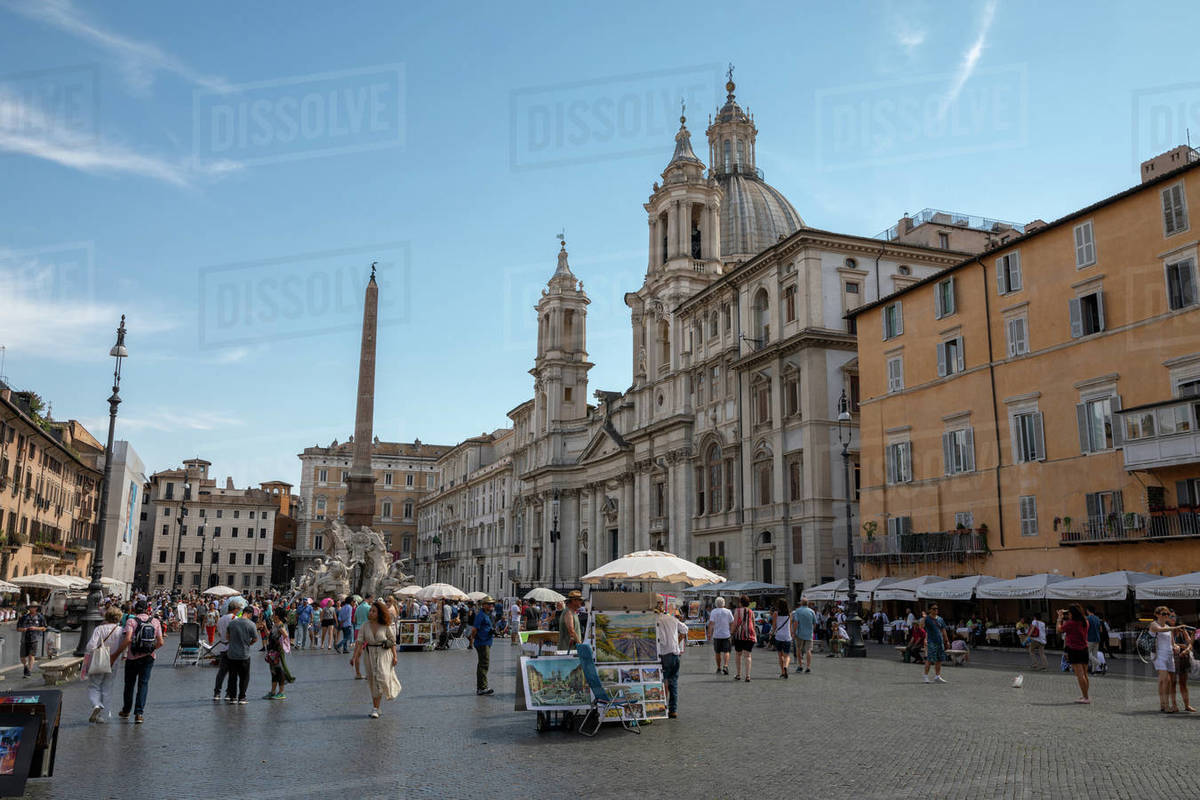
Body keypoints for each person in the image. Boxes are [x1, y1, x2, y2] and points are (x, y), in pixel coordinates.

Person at [351, 600, 401, 718]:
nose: (371, 613)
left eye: (374, 611)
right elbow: (359, 643)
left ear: (379, 613)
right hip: (370, 654)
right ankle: (376, 708)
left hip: (384, 654)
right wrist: (354, 657)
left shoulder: (385, 626)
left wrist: (395, 656)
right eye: (370, 611)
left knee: (381, 677)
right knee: (373, 680)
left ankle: (382, 699)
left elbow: (393, 641)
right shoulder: (365, 625)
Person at [116, 600, 164, 723]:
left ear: (135, 610)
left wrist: (116, 653)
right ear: (147, 610)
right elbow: (161, 642)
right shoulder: (155, 621)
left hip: (133, 657)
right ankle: (139, 714)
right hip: (149, 657)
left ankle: (126, 711)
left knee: (129, 684)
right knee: (143, 684)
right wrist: (151, 650)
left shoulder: (131, 621)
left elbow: (127, 639)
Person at [84, 606, 125, 723]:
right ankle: (103, 715)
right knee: (107, 687)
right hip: (113, 660)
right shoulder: (121, 630)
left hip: (99, 660)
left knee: (94, 685)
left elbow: (90, 646)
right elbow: (123, 647)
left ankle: (96, 704)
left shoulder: (99, 629)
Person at [655, 601, 687, 719]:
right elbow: (685, 629)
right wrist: (678, 641)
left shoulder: (658, 620)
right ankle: (673, 710)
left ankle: (662, 707)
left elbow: (662, 640)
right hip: (675, 653)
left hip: (665, 654)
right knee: (673, 682)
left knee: (662, 681)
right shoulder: (672, 619)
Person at [224, 598, 258, 704]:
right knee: (244, 676)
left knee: (233, 676)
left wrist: (233, 642)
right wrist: (249, 644)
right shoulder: (251, 624)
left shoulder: (233, 623)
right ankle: (242, 697)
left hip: (232, 654)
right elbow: (255, 639)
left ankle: (233, 697)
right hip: (244, 654)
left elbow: (227, 636)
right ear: (249, 614)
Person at [1150, 606, 1185, 712]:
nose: (1166, 616)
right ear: (1157, 614)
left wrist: (1176, 647)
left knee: (1164, 681)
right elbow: (1160, 630)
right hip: (1159, 655)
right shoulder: (1154, 624)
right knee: (1166, 679)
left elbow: (1172, 643)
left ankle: (1162, 704)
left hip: (1169, 655)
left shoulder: (1168, 627)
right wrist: (1175, 628)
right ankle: (1166, 705)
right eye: (1163, 614)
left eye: (1167, 614)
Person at [1056, 604, 1091, 704]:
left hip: (1074, 650)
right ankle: (1085, 695)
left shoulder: (1071, 623)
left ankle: (1086, 697)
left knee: (1080, 675)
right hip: (1084, 649)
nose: (1069, 615)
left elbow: (1059, 629)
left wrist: (1059, 618)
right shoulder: (1085, 622)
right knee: (1085, 674)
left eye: (1069, 613)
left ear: (1072, 614)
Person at [466, 596, 496, 695]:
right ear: (484, 605)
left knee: (483, 664)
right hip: (482, 642)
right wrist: (473, 639)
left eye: (492, 604)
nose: (491, 605)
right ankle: (482, 687)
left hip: (486, 641)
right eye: (489, 604)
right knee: (484, 664)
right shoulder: (481, 615)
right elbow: (474, 629)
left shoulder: (488, 614)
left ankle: (481, 687)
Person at [16, 603, 47, 678]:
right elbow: (18, 628)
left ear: (36, 608)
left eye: (34, 607)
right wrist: (24, 629)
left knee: (31, 655)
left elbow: (44, 628)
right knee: (22, 657)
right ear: (29, 608)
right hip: (24, 639)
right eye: (31, 607)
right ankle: (25, 666)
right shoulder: (24, 617)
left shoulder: (40, 617)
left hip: (34, 639)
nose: (32, 608)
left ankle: (29, 671)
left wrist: (35, 628)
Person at [730, 595, 756, 682]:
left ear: (740, 602)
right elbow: (753, 624)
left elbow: (735, 623)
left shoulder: (737, 611)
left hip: (739, 635)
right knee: (748, 655)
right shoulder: (751, 612)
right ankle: (748, 676)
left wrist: (731, 632)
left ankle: (738, 674)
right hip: (749, 635)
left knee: (738, 654)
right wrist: (755, 636)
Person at [922, 604, 949, 684]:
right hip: (931, 642)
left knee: (939, 659)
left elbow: (943, 630)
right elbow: (921, 626)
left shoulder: (940, 619)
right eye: (934, 609)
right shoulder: (927, 619)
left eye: (937, 608)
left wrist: (946, 641)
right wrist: (923, 618)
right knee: (930, 659)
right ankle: (925, 676)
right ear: (930, 610)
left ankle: (937, 676)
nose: (936, 610)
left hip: (940, 642)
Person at [707, 596, 733, 675]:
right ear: (724, 603)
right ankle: (725, 665)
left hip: (717, 635)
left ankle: (718, 667)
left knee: (717, 652)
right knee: (726, 651)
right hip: (726, 635)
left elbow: (711, 624)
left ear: (716, 604)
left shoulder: (713, 612)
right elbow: (732, 622)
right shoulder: (728, 611)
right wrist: (731, 632)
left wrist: (709, 634)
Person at [791, 597, 817, 674]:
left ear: (801, 603)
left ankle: (800, 666)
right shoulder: (812, 611)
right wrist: (812, 630)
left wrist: (793, 632)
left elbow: (796, 623)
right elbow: (815, 623)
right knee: (808, 650)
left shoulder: (797, 611)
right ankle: (808, 667)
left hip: (800, 634)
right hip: (809, 634)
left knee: (799, 649)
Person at [771, 598, 793, 678]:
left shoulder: (776, 613)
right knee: (787, 656)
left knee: (780, 655)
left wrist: (772, 633)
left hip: (779, 636)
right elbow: (790, 626)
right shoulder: (789, 614)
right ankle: (786, 666)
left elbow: (774, 626)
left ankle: (783, 672)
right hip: (787, 636)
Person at [1085, 605, 1103, 675]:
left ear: (1088, 611)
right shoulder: (1097, 618)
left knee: (1087, 654)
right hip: (1097, 638)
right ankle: (1093, 671)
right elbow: (1101, 630)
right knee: (1094, 654)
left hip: (1089, 638)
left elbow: (1085, 628)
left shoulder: (1087, 618)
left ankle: (1100, 663)